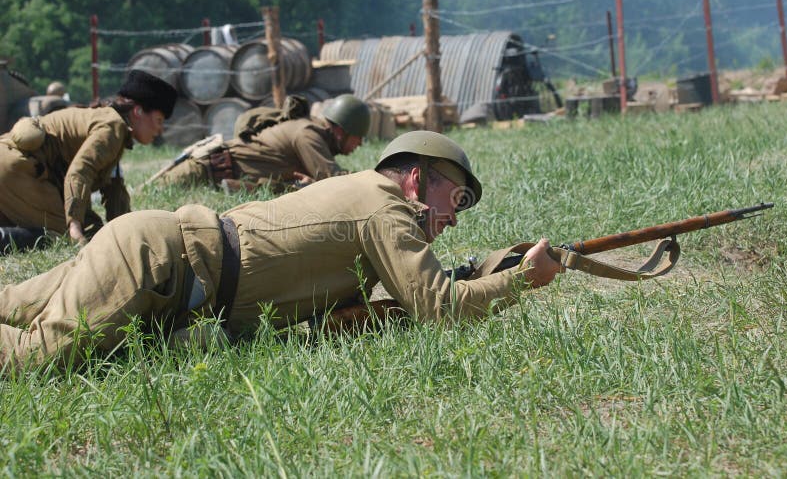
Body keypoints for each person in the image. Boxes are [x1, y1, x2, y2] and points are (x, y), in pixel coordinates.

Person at [0, 130, 562, 368]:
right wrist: (521, 281)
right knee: (36, 360)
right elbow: (437, 307)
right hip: (158, 263)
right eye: (454, 199)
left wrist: (492, 268)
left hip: (160, 257)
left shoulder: (368, 197)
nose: (453, 217)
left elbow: (413, 295)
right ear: (416, 179)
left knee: (13, 304)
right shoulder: (384, 208)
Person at [0, 69, 177, 250]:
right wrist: (74, 229)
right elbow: (80, 173)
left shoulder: (112, 125)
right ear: (138, 111)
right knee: (60, 236)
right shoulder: (112, 127)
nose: (160, 130)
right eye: (159, 120)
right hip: (17, 169)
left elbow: (114, 191)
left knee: (94, 231)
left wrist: (127, 235)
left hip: (17, 169)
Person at [150, 94, 369, 193]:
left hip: (218, 173)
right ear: (342, 130)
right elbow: (333, 180)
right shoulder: (308, 133)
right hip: (206, 169)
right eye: (358, 137)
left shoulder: (310, 130)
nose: (359, 144)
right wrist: (373, 178)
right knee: (151, 193)